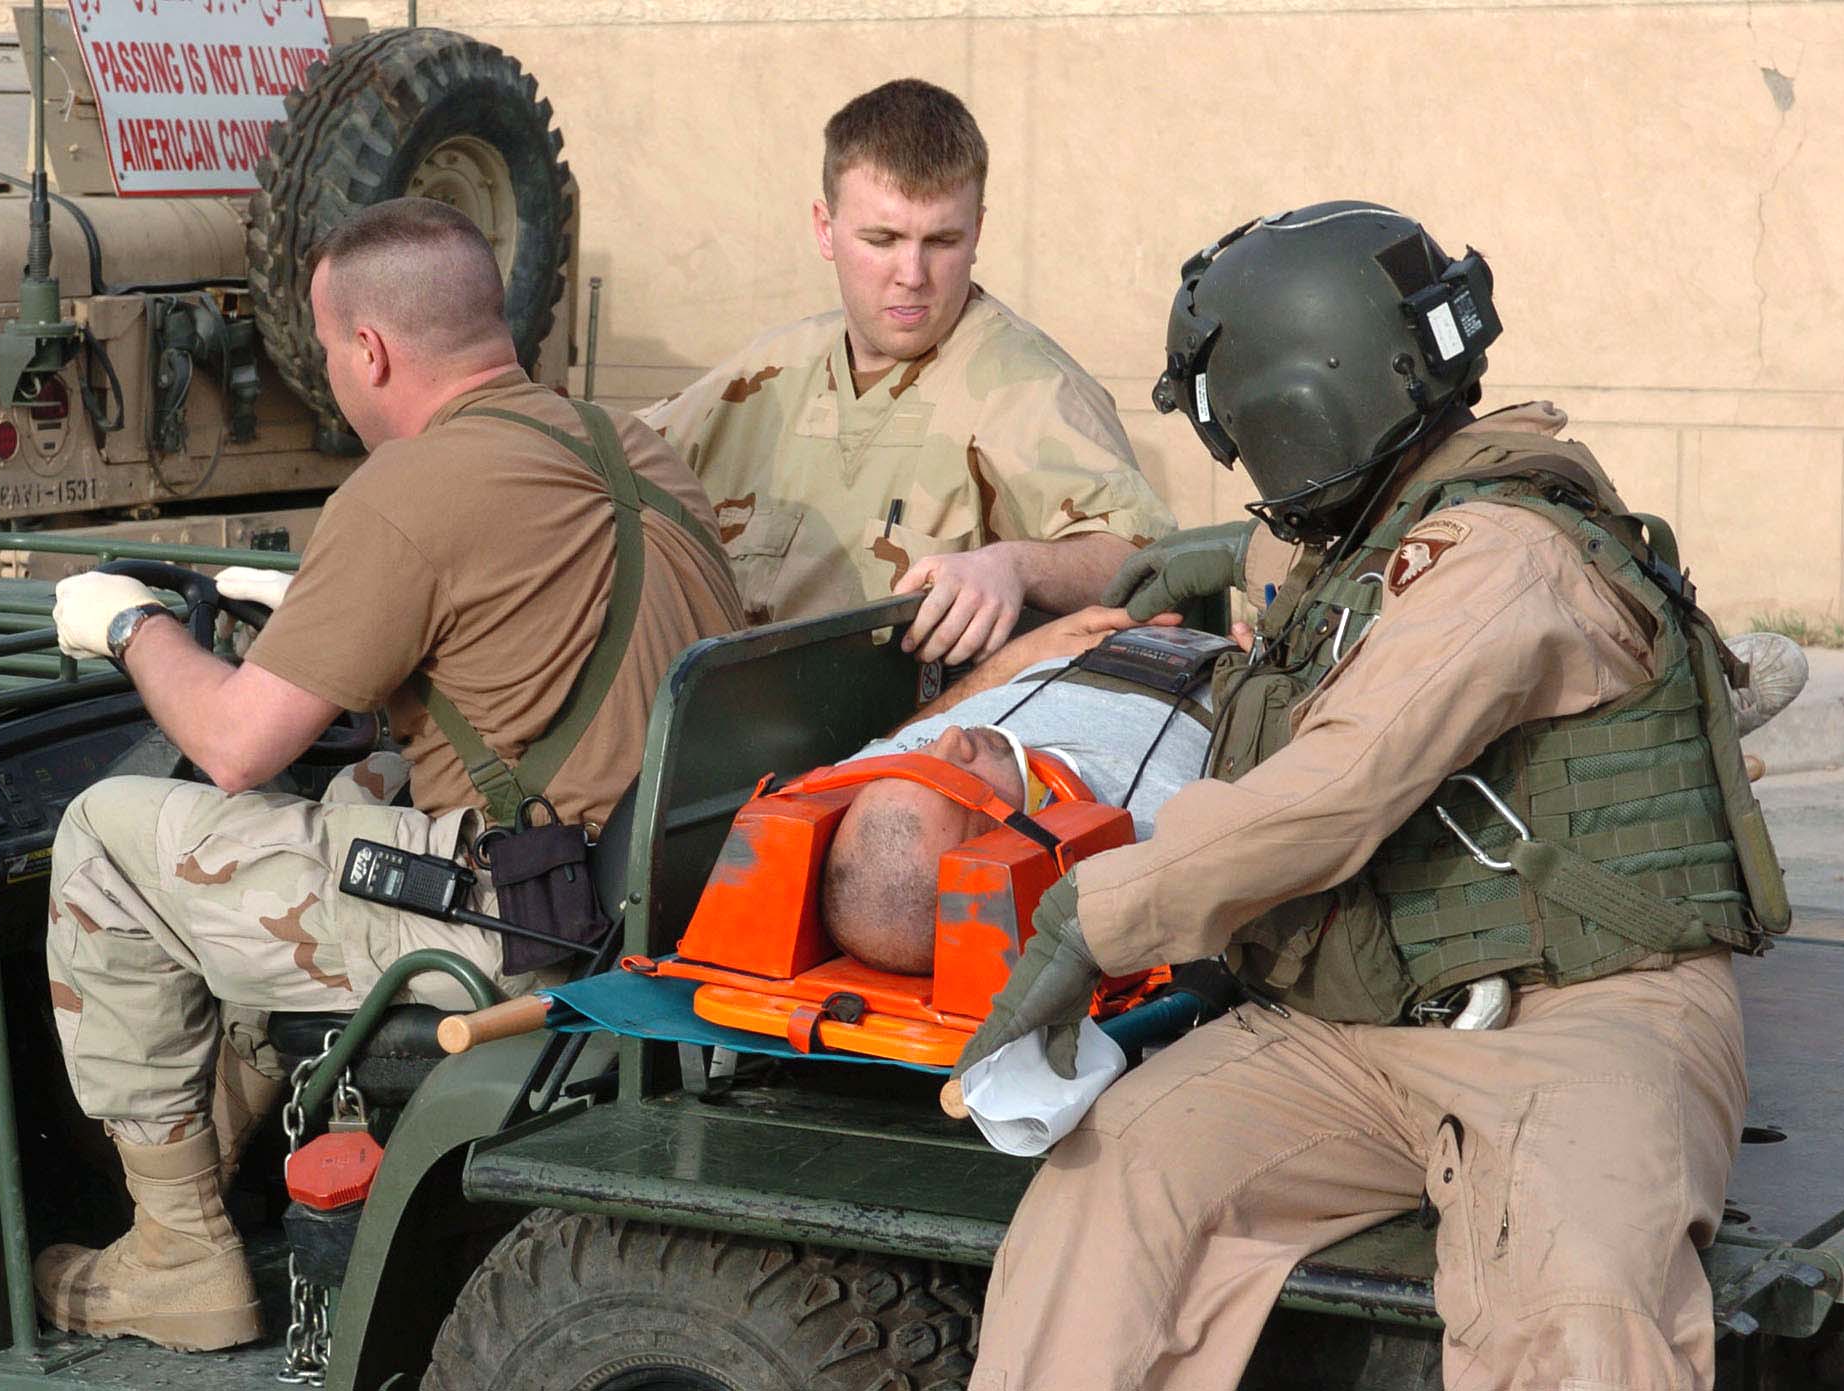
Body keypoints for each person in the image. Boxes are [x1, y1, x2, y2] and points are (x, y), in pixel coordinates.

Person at [956, 201, 1789, 1391]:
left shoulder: (1505, 558)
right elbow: (1347, 570)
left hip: (1582, 1018)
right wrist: (1214, 555)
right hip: (1349, 1025)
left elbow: (1333, 789)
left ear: (1293, 413)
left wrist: (1096, 919)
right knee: (1113, 1186)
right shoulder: (1385, 524)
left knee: (1579, 1316)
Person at [35, 198, 742, 1351]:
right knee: (355, 791)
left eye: (323, 349)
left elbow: (232, 742)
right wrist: (311, 616)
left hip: (531, 928)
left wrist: (131, 627)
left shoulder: (405, 491)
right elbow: (507, 630)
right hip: (665, 886)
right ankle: (222, 1144)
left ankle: (177, 1247)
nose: (329, 371)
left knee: (110, 830)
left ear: (369, 351)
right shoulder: (633, 446)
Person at [642, 78, 1174, 663]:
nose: (913, 275)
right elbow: (603, 460)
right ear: (825, 229)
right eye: (882, 239)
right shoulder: (762, 377)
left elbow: (1147, 560)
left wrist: (1014, 566)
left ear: (978, 231)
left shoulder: (1030, 388)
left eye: (942, 240)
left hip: (922, 741)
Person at [818, 606, 1220, 975]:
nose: (951, 737)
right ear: (1012, 858)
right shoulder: (1168, 831)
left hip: (1081, 643)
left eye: (913, 763)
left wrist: (1025, 653)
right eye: (958, 783)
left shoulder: (874, 774)